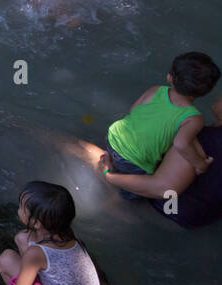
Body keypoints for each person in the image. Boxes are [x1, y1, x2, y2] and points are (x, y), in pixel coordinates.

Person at [99, 52, 218, 199]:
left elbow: (132, 113)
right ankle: (118, 193)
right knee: (134, 195)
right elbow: (181, 144)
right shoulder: (194, 118)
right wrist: (200, 164)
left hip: (113, 136)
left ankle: (111, 160)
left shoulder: (155, 90)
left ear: (169, 77)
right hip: (134, 162)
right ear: (210, 90)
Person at [95, 94, 222, 229]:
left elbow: (163, 189)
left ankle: (119, 210)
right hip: (207, 217)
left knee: (90, 154)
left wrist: (109, 175)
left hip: (170, 212)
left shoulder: (201, 140)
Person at [0, 182, 100, 285]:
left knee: (6, 259)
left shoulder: (36, 254)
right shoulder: (66, 234)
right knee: (22, 238)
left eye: (21, 207)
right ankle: (33, 281)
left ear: (37, 223)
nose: (18, 209)